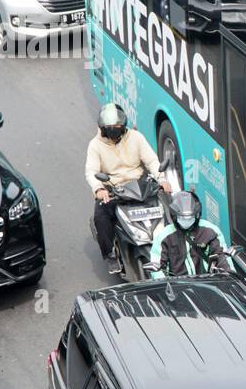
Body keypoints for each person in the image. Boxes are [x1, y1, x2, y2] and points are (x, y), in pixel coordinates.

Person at [84, 103, 171, 275]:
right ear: (103, 128)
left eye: (118, 127)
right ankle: (110, 255)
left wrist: (162, 180)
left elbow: (152, 161)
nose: (115, 131)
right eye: (110, 128)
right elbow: (91, 171)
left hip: (140, 185)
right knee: (101, 217)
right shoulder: (95, 145)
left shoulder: (136, 137)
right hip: (113, 187)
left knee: (168, 206)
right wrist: (99, 189)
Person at [149, 190, 231, 277]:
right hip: (176, 285)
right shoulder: (164, 236)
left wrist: (228, 277)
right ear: (174, 215)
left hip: (207, 282)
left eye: (190, 218)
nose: (186, 221)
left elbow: (222, 258)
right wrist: (166, 285)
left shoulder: (210, 231)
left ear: (196, 215)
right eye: (182, 218)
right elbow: (157, 267)